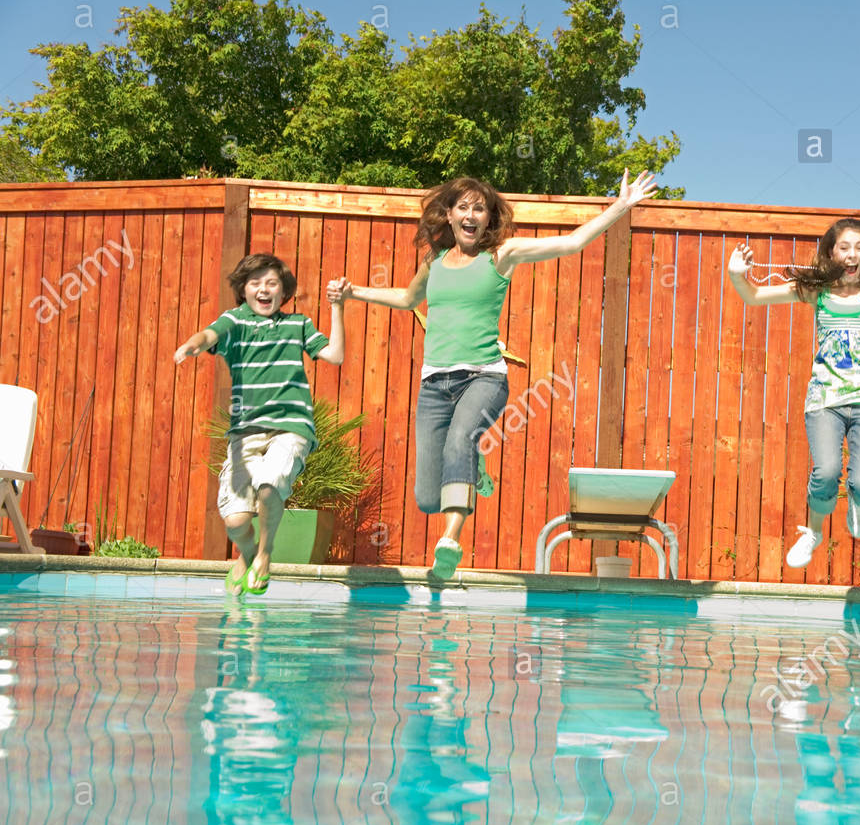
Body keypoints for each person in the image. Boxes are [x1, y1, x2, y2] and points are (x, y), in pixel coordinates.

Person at [329, 169, 658, 577]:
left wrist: (621, 205)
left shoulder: (502, 255)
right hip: (434, 384)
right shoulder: (434, 261)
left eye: (479, 209)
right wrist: (354, 292)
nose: (471, 215)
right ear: (449, 215)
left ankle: (450, 540)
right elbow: (407, 298)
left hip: (483, 378)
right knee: (428, 496)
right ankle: (474, 466)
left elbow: (572, 243)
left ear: (489, 218)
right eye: (463, 207)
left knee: (460, 442)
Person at [727, 217, 860, 568]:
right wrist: (737, 274)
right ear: (831, 253)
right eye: (844, 247)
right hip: (826, 398)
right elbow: (754, 296)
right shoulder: (817, 291)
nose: (852, 254)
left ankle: (858, 499)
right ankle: (813, 532)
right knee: (825, 473)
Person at [175, 253, 346, 595]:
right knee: (236, 522)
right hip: (245, 431)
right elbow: (209, 334)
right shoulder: (235, 322)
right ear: (243, 289)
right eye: (255, 283)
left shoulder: (297, 325)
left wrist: (337, 308)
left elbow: (336, 355)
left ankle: (265, 554)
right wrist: (192, 345)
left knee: (269, 485)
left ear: (284, 292)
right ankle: (248, 553)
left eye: (272, 283)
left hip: (291, 427)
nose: (264, 289)